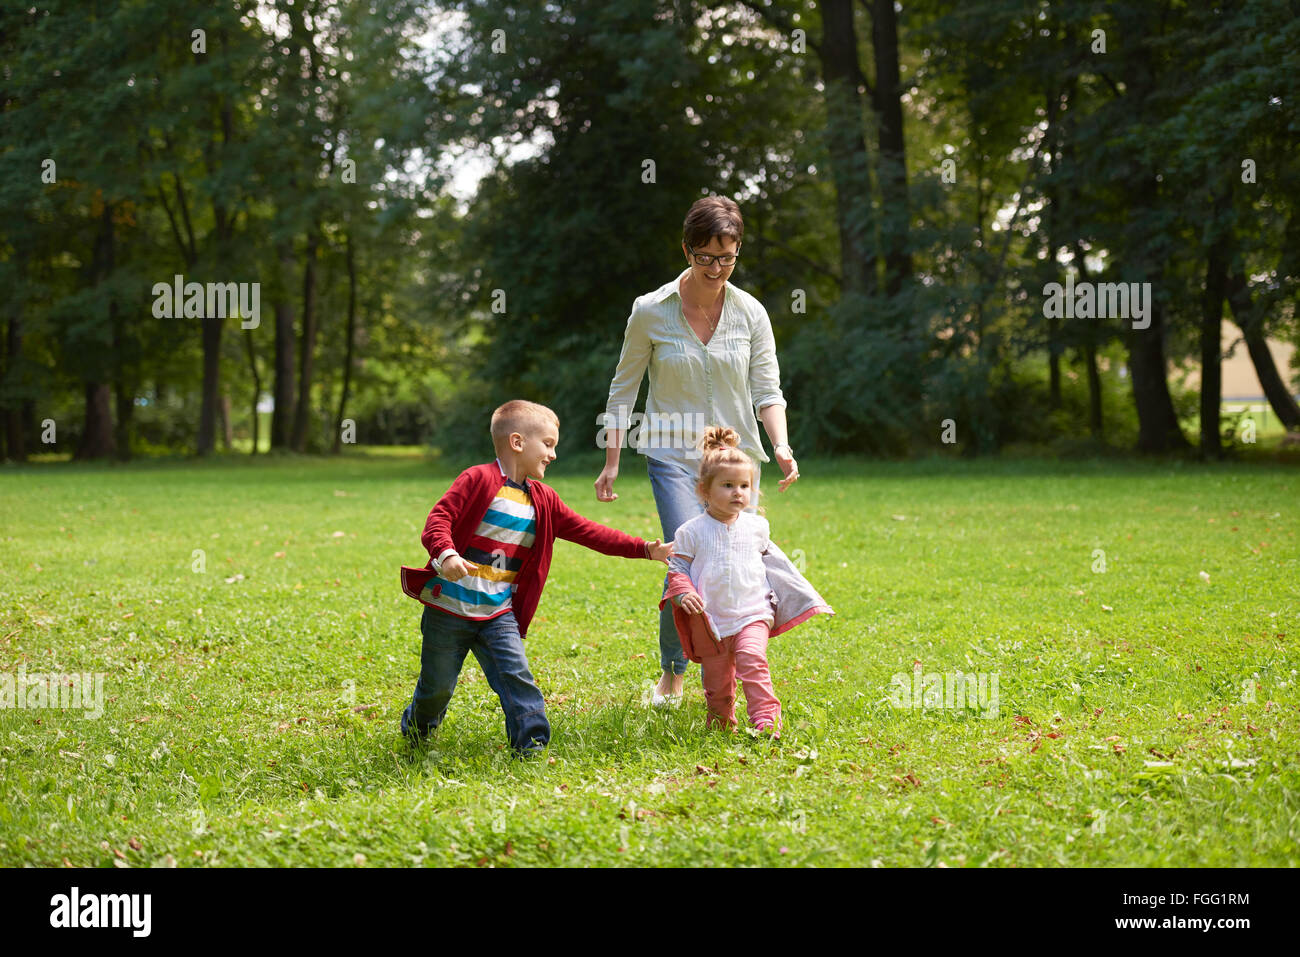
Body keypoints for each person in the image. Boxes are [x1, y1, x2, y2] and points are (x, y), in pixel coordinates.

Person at [595, 196, 800, 706]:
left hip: (736, 462)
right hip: (672, 453)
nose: (715, 268)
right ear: (686, 250)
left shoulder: (751, 311)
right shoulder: (651, 310)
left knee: (735, 564)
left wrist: (781, 444)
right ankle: (673, 672)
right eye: (705, 256)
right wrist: (612, 461)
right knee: (686, 558)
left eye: (726, 258)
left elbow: (767, 389)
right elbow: (625, 390)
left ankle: (735, 665)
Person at [399, 399, 673, 756]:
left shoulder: (543, 500)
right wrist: (446, 553)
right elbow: (439, 521)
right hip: (448, 610)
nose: (553, 454)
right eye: (547, 444)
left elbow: (589, 532)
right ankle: (418, 730)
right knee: (437, 687)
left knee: (517, 678)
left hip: (498, 614)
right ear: (517, 442)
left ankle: (531, 745)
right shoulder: (476, 479)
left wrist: (645, 549)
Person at [660, 427, 832, 734]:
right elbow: (677, 570)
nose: (738, 492)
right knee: (717, 683)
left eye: (744, 485)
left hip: (753, 612)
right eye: (728, 485)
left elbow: (777, 568)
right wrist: (683, 592)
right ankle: (721, 723)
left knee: (752, 659)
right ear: (704, 491)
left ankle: (766, 722)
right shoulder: (691, 532)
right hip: (710, 620)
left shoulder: (757, 527)